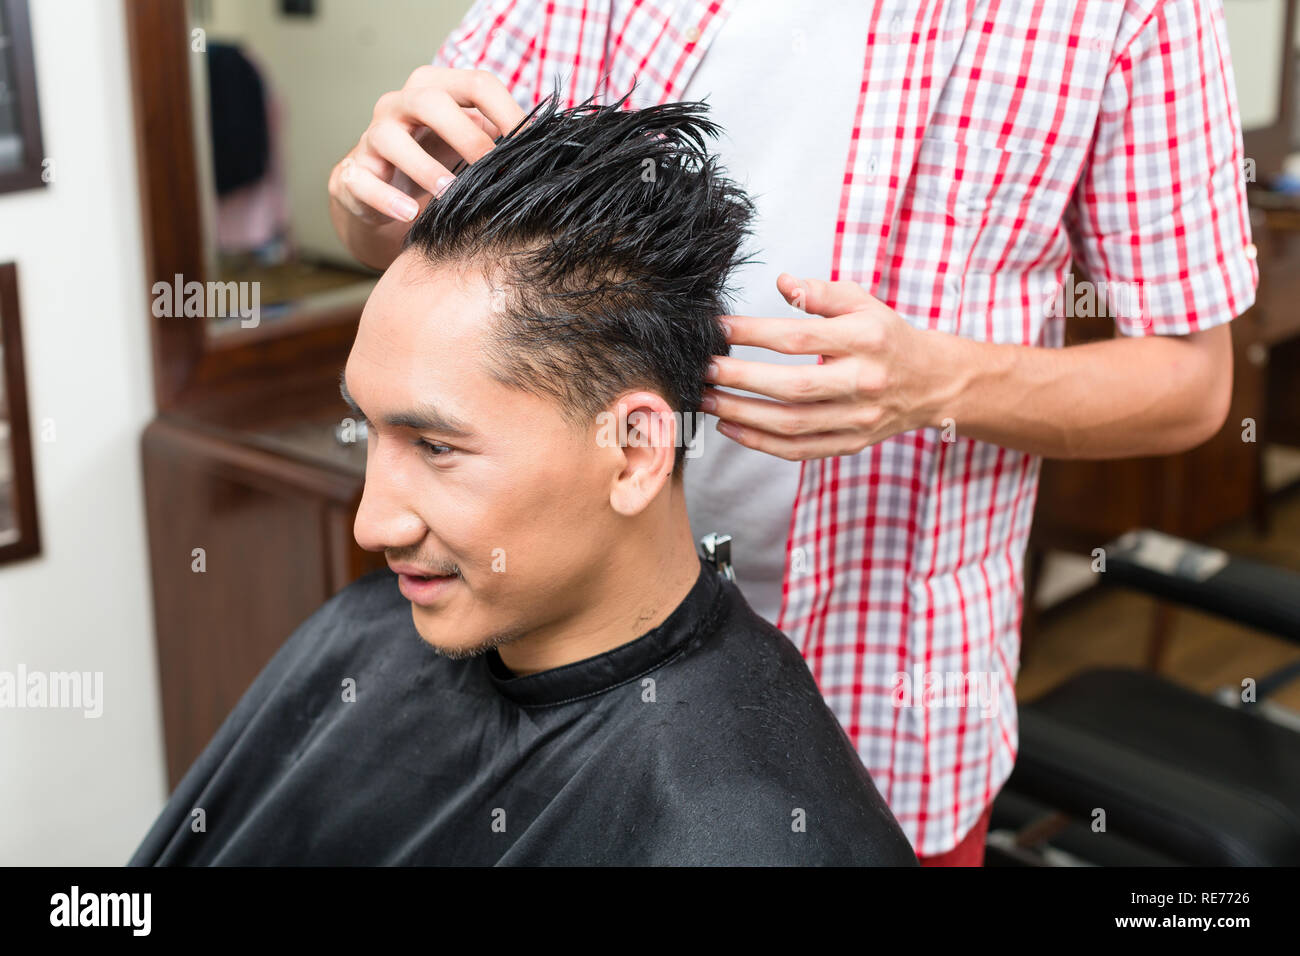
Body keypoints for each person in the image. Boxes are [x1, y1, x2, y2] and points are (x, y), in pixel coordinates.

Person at [327, 0, 1259, 864]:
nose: (376, 520)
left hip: (892, 689)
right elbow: (413, 230)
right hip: (556, 649)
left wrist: (942, 383)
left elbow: (1192, 380)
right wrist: (368, 198)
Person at [127, 93, 918, 866]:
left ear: (637, 449)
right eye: (368, 430)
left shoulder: (755, 829)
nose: (372, 525)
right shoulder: (366, 634)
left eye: (435, 447)